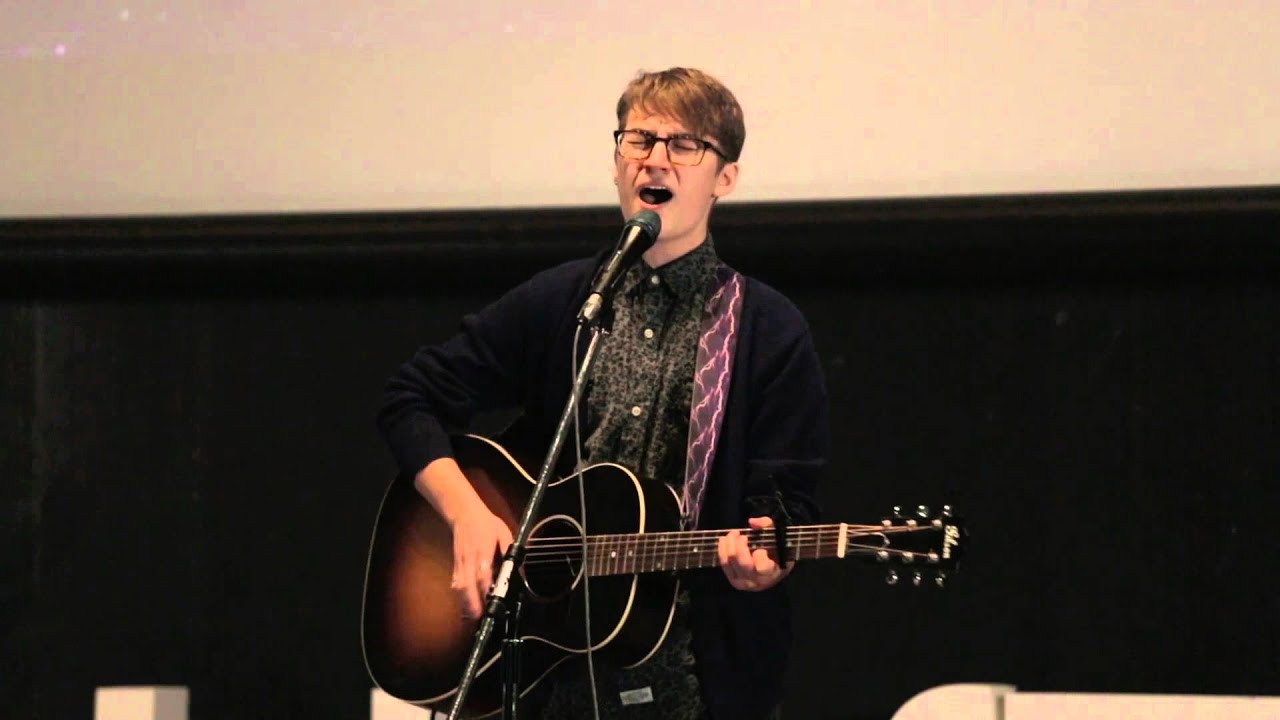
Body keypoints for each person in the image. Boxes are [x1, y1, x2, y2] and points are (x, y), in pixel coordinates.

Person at [377, 67, 828, 720]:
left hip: (694, 684)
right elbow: (408, 398)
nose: (656, 159)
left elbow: (785, 507)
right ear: (617, 162)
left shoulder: (765, 327)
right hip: (543, 677)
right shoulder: (565, 302)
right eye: (639, 139)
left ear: (724, 178)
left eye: (684, 145)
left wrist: (767, 559)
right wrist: (468, 512)